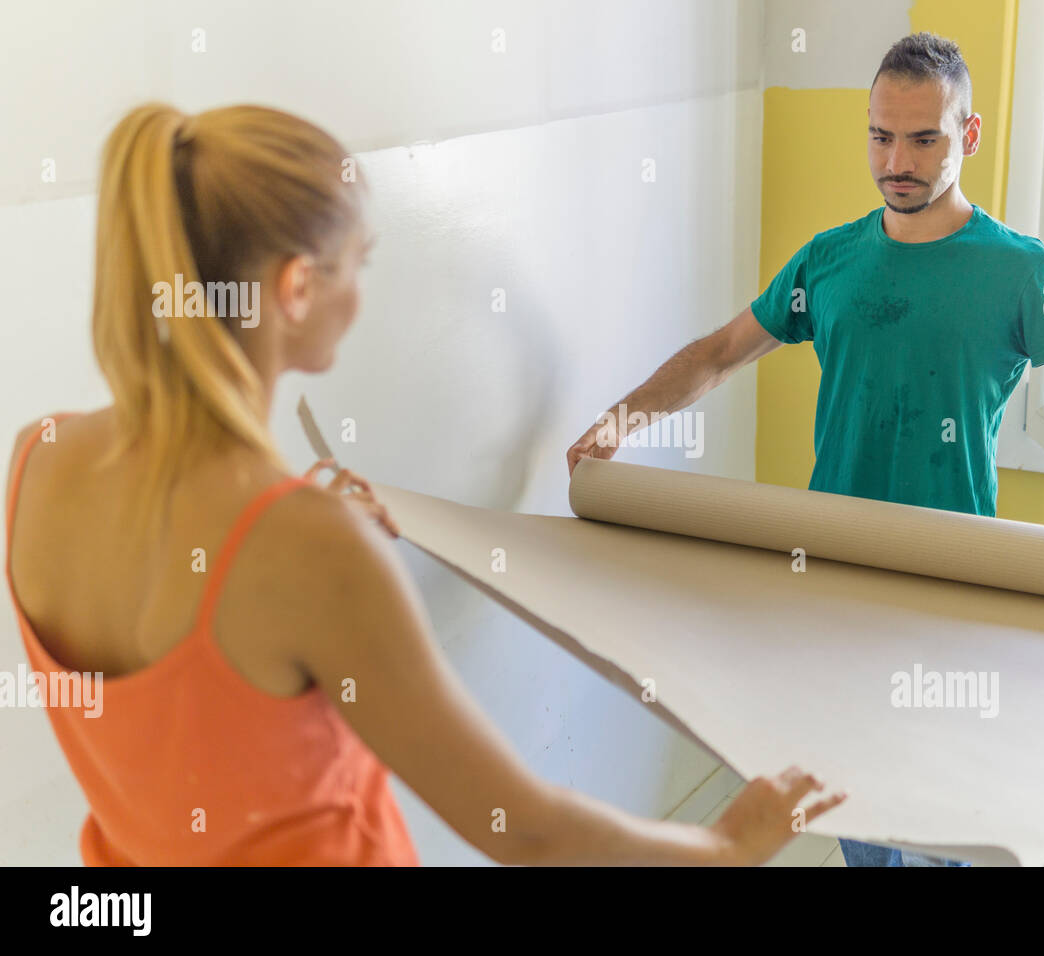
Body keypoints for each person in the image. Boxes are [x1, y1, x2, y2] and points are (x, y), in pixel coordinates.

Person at [5, 102, 847, 866]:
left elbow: (203, 687)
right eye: (355, 266)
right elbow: (526, 829)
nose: (362, 296)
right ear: (297, 286)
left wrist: (295, 532)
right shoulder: (306, 548)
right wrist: (725, 848)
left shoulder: (36, 459)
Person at [566, 32, 1044, 867]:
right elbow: (718, 353)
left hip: (950, 583)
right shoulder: (829, 260)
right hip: (829, 577)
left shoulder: (1021, 274)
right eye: (881, 135)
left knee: (936, 812)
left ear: (969, 136)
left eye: (924, 138)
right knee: (852, 802)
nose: (897, 160)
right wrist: (618, 424)